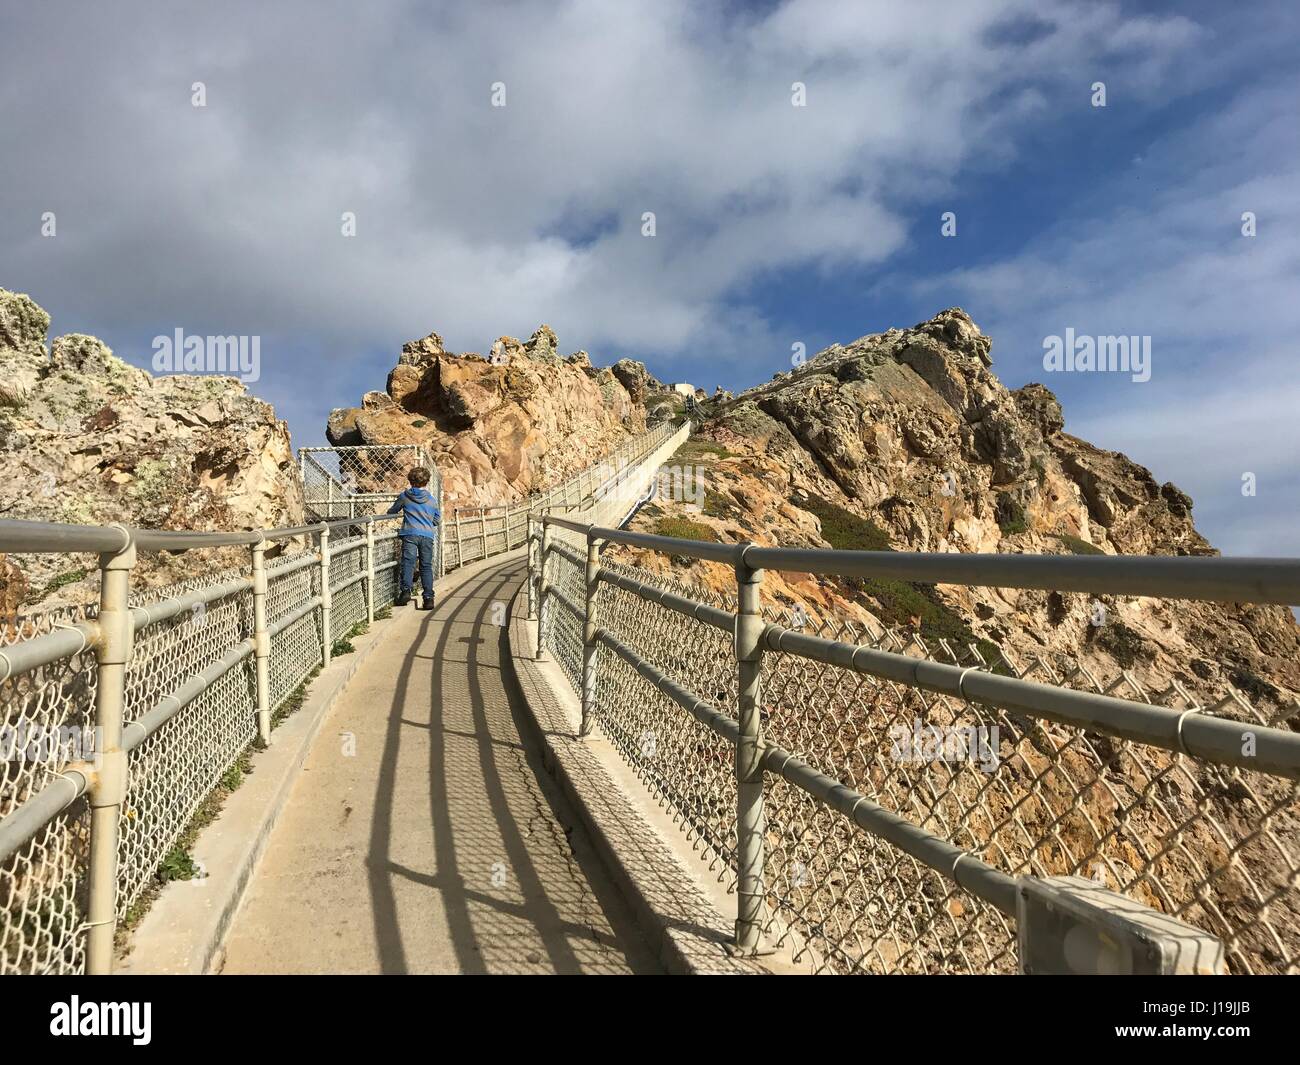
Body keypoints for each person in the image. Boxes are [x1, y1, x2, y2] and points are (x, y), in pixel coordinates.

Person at [387, 467, 441, 609]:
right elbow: (437, 520)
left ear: (410, 481)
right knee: (426, 566)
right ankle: (428, 598)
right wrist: (427, 520)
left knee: (408, 563)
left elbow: (393, 510)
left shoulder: (405, 496)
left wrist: (392, 511)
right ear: (427, 482)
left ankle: (406, 591)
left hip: (410, 533)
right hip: (427, 535)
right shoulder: (431, 500)